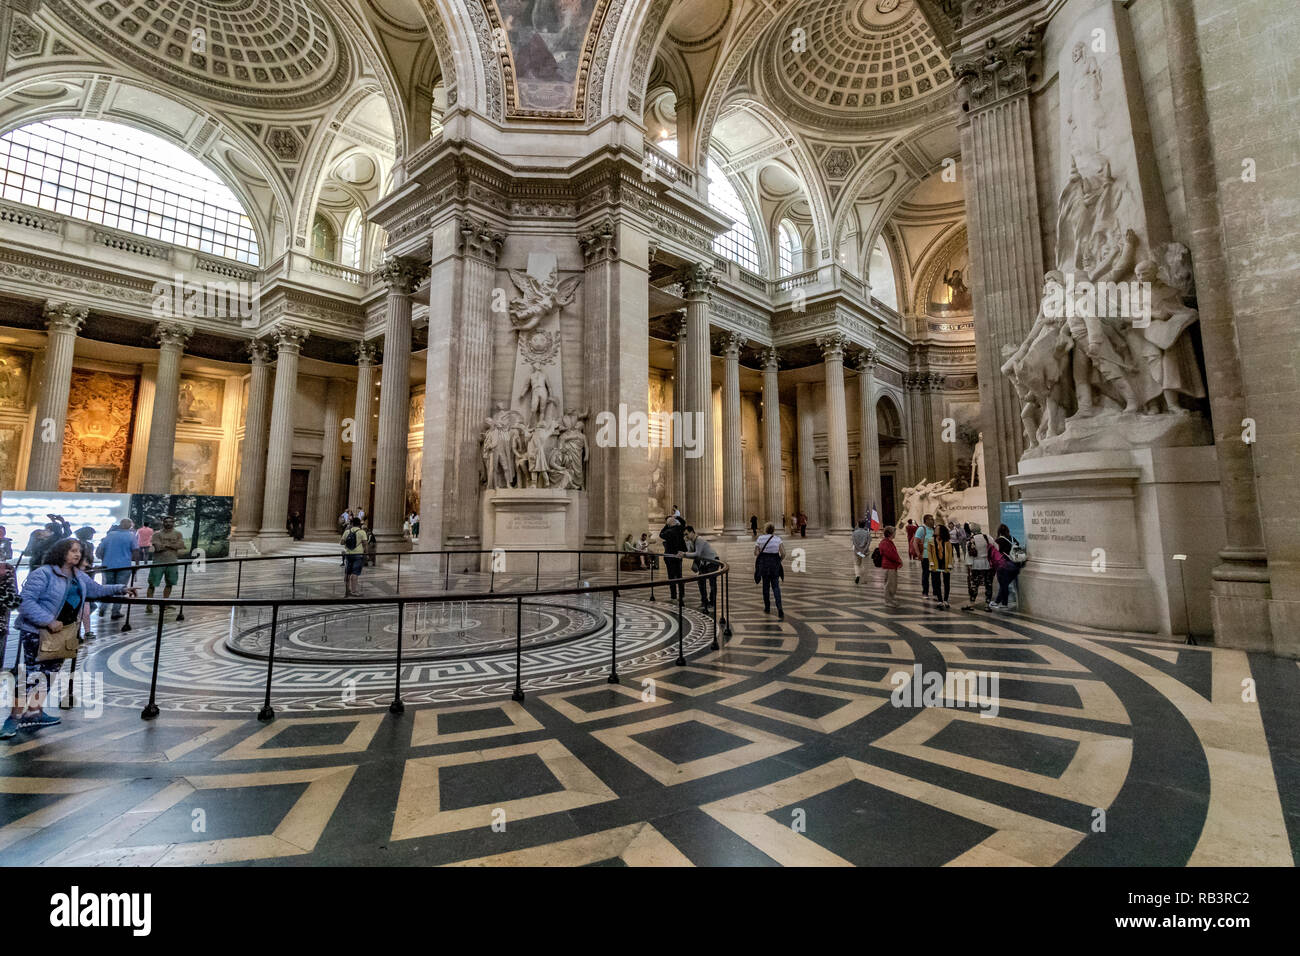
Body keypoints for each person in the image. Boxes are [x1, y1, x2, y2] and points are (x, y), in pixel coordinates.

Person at [2, 537, 134, 738]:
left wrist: (120, 588)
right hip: (38, 632)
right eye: (72, 550)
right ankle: (13, 718)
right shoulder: (43, 574)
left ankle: (35, 712)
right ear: (61, 552)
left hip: (64, 632)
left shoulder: (78, 576)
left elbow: (96, 590)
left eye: (79, 551)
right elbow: (26, 602)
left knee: (49, 674)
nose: (77, 554)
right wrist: (47, 620)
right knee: (32, 675)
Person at [94, 518, 137, 622]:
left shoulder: (110, 535)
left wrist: (104, 559)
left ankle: (103, 608)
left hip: (108, 565)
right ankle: (115, 611)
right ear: (130, 526)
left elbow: (100, 550)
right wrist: (136, 564)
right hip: (124, 566)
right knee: (121, 589)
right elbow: (135, 551)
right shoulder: (131, 536)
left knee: (108, 587)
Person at [145, 516, 188, 613]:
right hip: (158, 562)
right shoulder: (157, 534)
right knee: (152, 583)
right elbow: (158, 548)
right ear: (163, 523)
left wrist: (166, 545)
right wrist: (173, 546)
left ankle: (165, 603)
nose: (168, 523)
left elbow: (181, 546)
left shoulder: (178, 534)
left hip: (172, 561)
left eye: (170, 522)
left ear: (173, 523)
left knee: (170, 583)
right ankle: (149, 604)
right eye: (166, 522)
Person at [683, 526, 720, 611]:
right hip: (704, 563)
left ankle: (712, 602)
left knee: (712, 583)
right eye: (684, 535)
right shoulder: (691, 541)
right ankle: (704, 601)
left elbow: (697, 554)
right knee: (700, 581)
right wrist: (687, 543)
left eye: (687, 534)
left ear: (692, 532)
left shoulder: (699, 540)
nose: (686, 536)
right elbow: (691, 553)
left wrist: (684, 554)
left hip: (713, 562)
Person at [962, 522, 995, 611]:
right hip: (987, 564)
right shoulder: (988, 537)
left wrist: (968, 566)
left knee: (974, 585)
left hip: (976, 565)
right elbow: (996, 548)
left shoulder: (971, 540)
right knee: (988, 585)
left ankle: (971, 604)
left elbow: (969, 555)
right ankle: (987, 605)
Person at [754, 523, 785, 618]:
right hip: (774, 564)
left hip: (764, 564)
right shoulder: (778, 539)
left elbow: (756, 553)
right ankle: (780, 608)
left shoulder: (760, 538)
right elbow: (783, 553)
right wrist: (778, 560)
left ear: (765, 529)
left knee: (765, 586)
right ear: (773, 530)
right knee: (776, 586)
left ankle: (767, 607)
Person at [992, 523, 1023, 610]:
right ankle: (997, 601)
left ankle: (1004, 603)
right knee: (1004, 585)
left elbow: (995, 553)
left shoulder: (998, 541)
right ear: (1007, 531)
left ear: (999, 531)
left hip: (1004, 566)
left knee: (1003, 585)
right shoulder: (1013, 539)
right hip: (1015, 565)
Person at [658, 515, 686, 600]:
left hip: (669, 556)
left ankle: (673, 595)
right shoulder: (680, 529)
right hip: (678, 556)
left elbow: (660, 534)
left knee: (671, 577)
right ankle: (681, 593)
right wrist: (677, 517)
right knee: (679, 575)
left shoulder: (668, 531)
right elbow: (684, 522)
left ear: (669, 525)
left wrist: (667, 525)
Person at [340, 516, 369, 596]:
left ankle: (347, 590)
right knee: (355, 573)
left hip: (348, 554)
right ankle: (354, 591)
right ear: (359, 524)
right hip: (358, 555)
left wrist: (347, 542)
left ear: (352, 523)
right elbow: (365, 544)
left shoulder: (347, 531)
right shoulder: (362, 532)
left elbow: (341, 542)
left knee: (347, 573)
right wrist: (366, 554)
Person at [928, 523, 954, 609]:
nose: (935, 530)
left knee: (947, 582)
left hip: (945, 564)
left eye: (937, 529)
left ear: (941, 531)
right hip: (935, 564)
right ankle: (940, 600)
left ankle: (946, 600)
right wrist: (931, 562)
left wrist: (950, 564)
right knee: (936, 582)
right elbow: (929, 553)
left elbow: (950, 553)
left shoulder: (947, 542)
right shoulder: (931, 540)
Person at [878, 525, 903, 608]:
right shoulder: (885, 542)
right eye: (894, 532)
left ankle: (890, 599)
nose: (895, 534)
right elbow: (890, 554)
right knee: (889, 584)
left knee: (892, 584)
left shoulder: (888, 542)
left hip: (891, 565)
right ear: (890, 533)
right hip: (889, 565)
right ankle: (888, 601)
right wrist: (898, 560)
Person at [918, 514, 936, 599]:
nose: (933, 521)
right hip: (925, 555)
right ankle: (925, 592)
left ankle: (935, 592)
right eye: (931, 519)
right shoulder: (922, 529)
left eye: (933, 519)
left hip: (934, 556)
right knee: (926, 574)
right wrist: (918, 554)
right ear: (926, 521)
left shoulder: (934, 529)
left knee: (935, 574)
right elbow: (915, 542)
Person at [851, 519, 872, 584]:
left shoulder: (854, 533)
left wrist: (859, 550)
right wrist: (863, 550)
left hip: (857, 552)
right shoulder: (867, 533)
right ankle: (863, 579)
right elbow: (868, 543)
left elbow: (854, 543)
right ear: (864, 525)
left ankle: (857, 575)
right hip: (865, 552)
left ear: (858, 525)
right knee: (865, 565)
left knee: (857, 564)